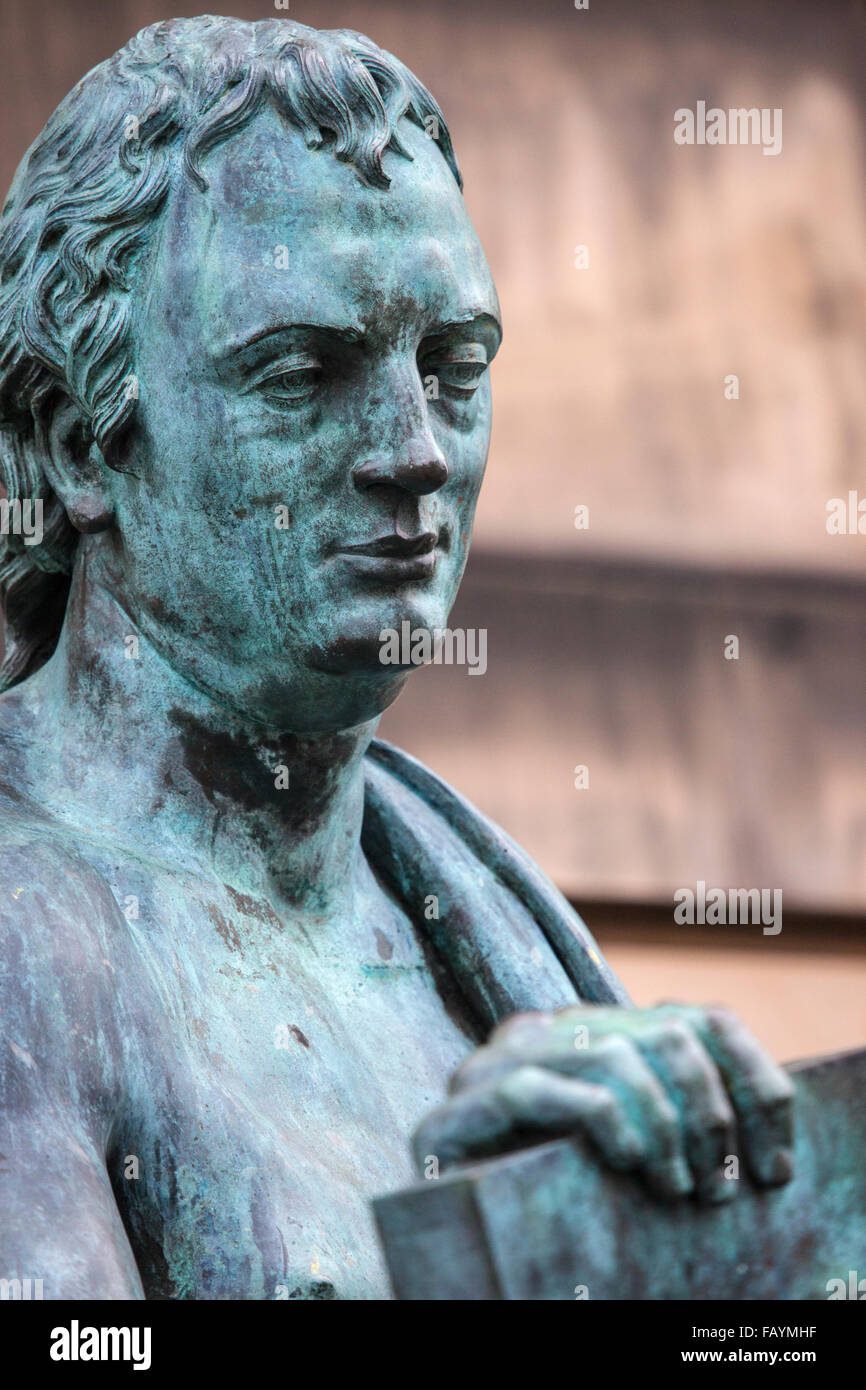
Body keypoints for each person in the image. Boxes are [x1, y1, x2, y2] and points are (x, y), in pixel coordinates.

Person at [0, 17, 793, 1300]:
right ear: (80, 442)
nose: (414, 449)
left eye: (453, 365)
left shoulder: (476, 904)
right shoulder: (26, 944)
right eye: (300, 371)